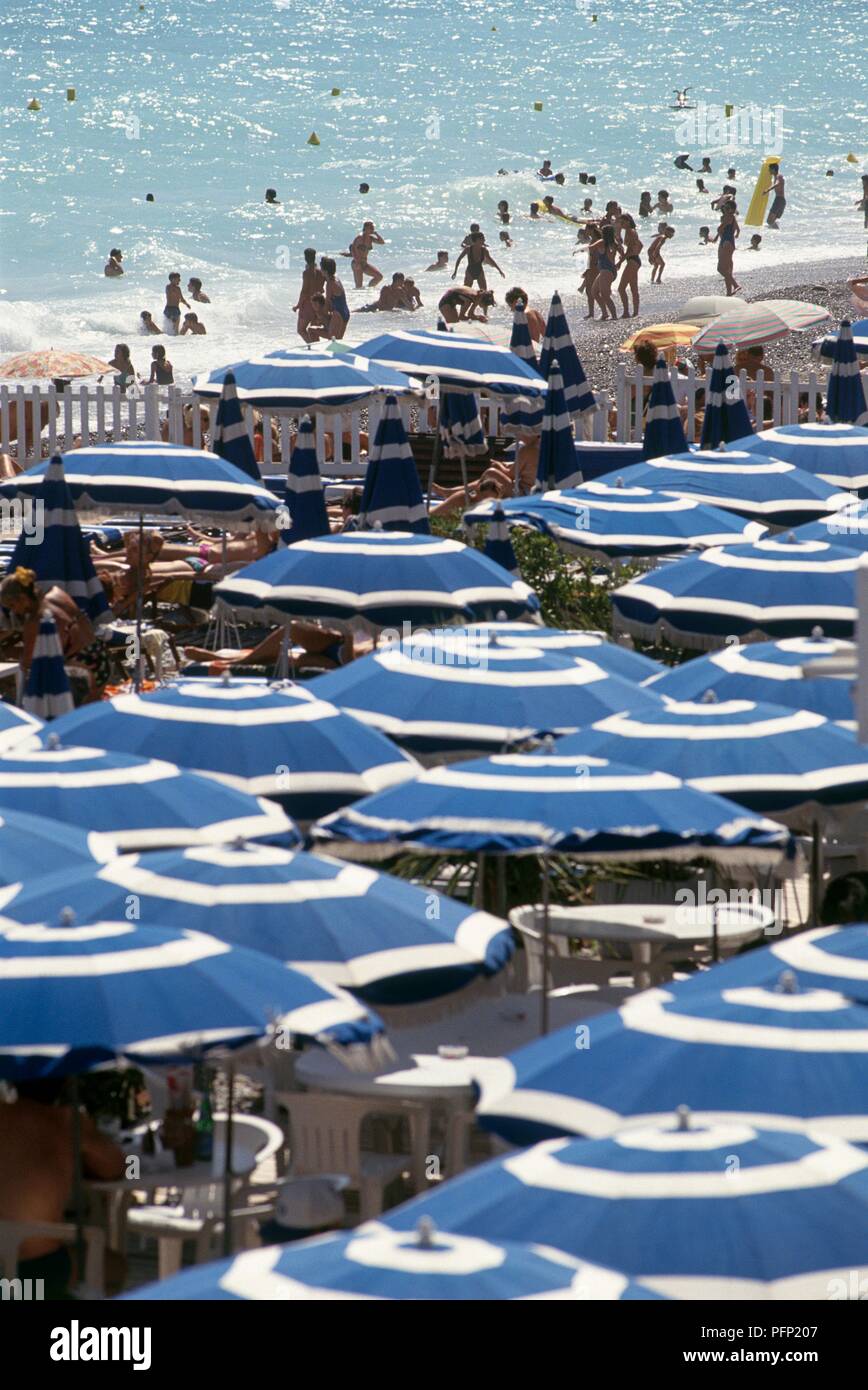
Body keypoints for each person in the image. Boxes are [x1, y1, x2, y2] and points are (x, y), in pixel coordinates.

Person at [0, 1078, 126, 1299]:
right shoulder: (66, 1120)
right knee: (115, 1266)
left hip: (6, 1279)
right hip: (36, 1276)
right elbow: (116, 1166)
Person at [590, 224, 621, 319]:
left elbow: (591, 247)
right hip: (609, 270)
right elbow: (623, 254)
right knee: (594, 292)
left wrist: (579, 249)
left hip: (606, 270)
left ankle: (614, 316)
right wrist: (619, 263)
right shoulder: (614, 243)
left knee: (605, 294)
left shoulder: (602, 241)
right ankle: (605, 313)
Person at [293, 247, 325, 340]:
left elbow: (304, 291)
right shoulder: (321, 272)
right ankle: (317, 349)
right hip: (319, 303)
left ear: (305, 258)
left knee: (301, 330)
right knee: (314, 331)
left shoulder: (306, 273)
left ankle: (312, 347)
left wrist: (298, 305)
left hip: (308, 304)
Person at [713, 200, 740, 295]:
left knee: (721, 269)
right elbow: (737, 230)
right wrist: (734, 235)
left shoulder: (728, 217)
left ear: (732, 209)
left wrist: (720, 235)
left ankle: (735, 285)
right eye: (725, 207)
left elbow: (720, 229)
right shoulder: (732, 217)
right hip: (729, 242)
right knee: (727, 270)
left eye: (727, 208)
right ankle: (729, 293)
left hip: (726, 243)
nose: (725, 209)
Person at [617, 214, 642, 318]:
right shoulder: (631, 231)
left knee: (621, 288)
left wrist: (620, 262)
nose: (621, 224)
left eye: (622, 222)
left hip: (632, 261)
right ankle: (635, 312)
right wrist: (635, 254)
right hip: (634, 260)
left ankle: (626, 312)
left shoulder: (630, 232)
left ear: (628, 221)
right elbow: (640, 245)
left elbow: (630, 250)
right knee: (633, 288)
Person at [321, 256, 350, 339]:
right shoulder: (336, 279)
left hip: (338, 313)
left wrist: (321, 315)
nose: (321, 270)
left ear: (325, 271)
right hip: (345, 312)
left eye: (322, 269)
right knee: (338, 340)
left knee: (332, 338)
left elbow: (327, 302)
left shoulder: (330, 284)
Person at [349, 221, 384, 288]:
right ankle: (358, 296)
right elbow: (353, 249)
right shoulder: (359, 238)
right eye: (371, 227)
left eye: (373, 227)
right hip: (357, 263)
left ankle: (368, 290)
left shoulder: (371, 239)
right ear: (366, 228)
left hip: (364, 263)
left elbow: (382, 242)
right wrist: (357, 261)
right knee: (359, 286)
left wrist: (376, 234)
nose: (372, 229)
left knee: (379, 277)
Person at [579, 223, 601, 318]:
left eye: (587, 229)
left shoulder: (596, 241)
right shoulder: (593, 240)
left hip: (594, 267)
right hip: (591, 267)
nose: (585, 231)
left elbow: (595, 257)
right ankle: (591, 313)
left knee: (593, 291)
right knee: (589, 291)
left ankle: (602, 311)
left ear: (591, 230)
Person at [763, 163, 786, 228]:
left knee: (769, 221)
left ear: (773, 169)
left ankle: (777, 232)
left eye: (770, 169)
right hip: (780, 200)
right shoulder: (775, 177)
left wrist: (767, 190)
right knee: (771, 221)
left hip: (779, 200)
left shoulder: (779, 176)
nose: (769, 171)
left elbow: (777, 183)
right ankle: (778, 234)